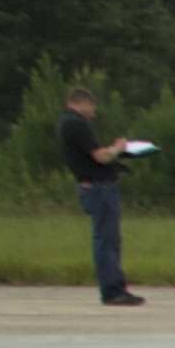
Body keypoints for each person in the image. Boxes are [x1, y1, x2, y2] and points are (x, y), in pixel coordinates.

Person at [55, 84, 147, 307]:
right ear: (83, 102)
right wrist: (118, 147)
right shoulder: (76, 124)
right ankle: (112, 290)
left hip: (92, 186)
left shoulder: (63, 123)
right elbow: (101, 157)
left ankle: (116, 285)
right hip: (99, 188)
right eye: (92, 107)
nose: (93, 112)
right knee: (106, 240)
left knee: (109, 239)